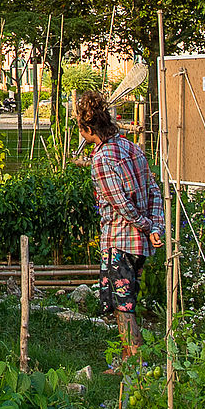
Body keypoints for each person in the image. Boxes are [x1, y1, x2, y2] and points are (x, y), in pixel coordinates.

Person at [74, 90, 162, 370]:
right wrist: (155, 225)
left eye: (82, 130)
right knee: (129, 298)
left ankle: (132, 360)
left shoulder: (101, 160)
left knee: (123, 304)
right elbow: (153, 189)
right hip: (140, 241)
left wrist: (147, 226)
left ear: (89, 129)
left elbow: (122, 205)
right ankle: (130, 356)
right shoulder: (131, 147)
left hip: (120, 240)